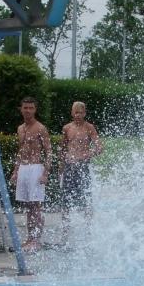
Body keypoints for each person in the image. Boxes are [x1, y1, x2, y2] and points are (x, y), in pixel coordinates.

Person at [56, 101, 103, 243]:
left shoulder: (89, 128)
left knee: (86, 200)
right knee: (65, 202)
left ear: (85, 113)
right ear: (72, 113)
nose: (78, 115)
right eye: (76, 112)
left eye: (80, 112)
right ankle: (65, 234)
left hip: (83, 167)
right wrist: (61, 163)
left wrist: (87, 154)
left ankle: (88, 232)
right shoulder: (67, 128)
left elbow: (99, 147)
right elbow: (62, 147)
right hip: (69, 167)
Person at [9, 97, 52, 253]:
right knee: (28, 206)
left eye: (31, 108)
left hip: (36, 168)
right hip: (23, 168)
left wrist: (45, 173)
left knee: (36, 206)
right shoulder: (20, 128)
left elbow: (48, 151)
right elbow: (20, 151)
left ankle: (36, 240)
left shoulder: (40, 128)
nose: (28, 110)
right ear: (21, 109)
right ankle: (29, 238)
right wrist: (15, 171)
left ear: (35, 109)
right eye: (25, 107)